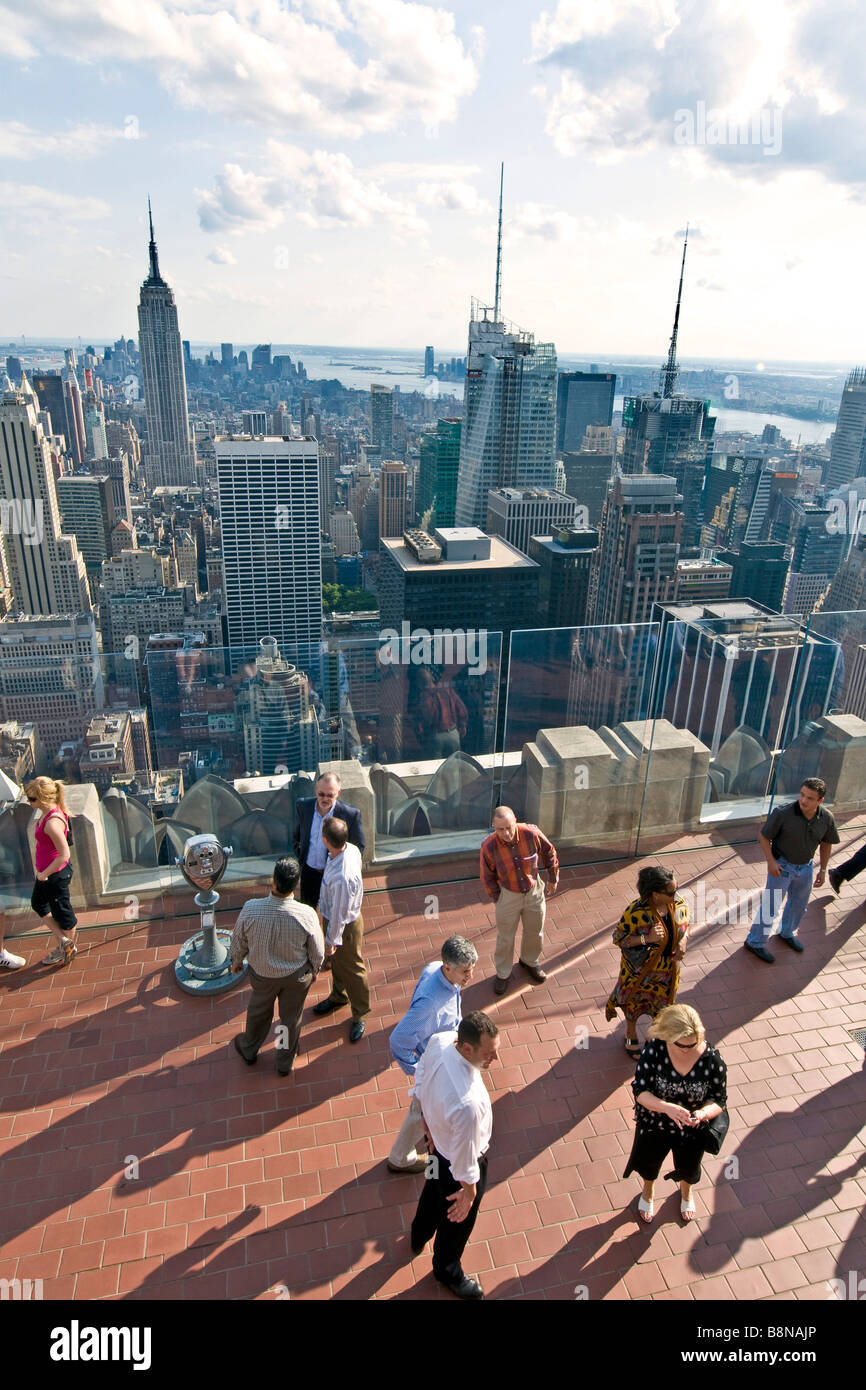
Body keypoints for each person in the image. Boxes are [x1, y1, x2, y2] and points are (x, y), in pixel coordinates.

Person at [409, 1011, 499, 1300]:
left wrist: (426, 1121)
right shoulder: (467, 1105)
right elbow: (464, 1161)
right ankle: (447, 1269)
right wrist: (469, 1194)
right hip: (458, 1161)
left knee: (431, 1193)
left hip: (436, 1146)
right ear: (467, 1048)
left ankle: (418, 1235)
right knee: (456, 1219)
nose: (495, 1059)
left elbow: (421, 1076)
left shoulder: (441, 1040)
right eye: (489, 1053)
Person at [624, 1003, 727, 1224]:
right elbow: (640, 1091)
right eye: (681, 1044)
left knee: (690, 1167)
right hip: (655, 1122)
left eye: (693, 1044)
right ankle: (648, 1191)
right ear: (667, 1035)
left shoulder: (712, 1059)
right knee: (648, 1162)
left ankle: (686, 1191)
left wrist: (702, 1114)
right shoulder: (654, 1052)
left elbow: (719, 1100)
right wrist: (667, 1107)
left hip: (692, 1128)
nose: (687, 1049)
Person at [387, 936, 478, 1174]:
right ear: (448, 967)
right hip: (434, 1065)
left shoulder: (435, 968)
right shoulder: (430, 1004)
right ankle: (400, 1158)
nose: (471, 976)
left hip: (443, 1055)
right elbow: (398, 1042)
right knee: (421, 1110)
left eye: (472, 968)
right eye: (466, 971)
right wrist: (421, 1073)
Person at [229, 856, 324, 1076]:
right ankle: (284, 1061)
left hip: (262, 975)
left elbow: (238, 940)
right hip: (296, 977)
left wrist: (236, 961)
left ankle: (249, 1049)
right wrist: (314, 969)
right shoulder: (306, 914)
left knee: (258, 1012)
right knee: (289, 1019)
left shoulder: (251, 909)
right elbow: (317, 950)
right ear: (296, 883)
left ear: (273, 881)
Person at [744, 777, 839, 963]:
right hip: (782, 867)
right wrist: (771, 862)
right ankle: (754, 942)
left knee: (799, 905)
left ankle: (786, 932)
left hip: (806, 868)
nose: (803, 800)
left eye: (810, 798)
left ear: (820, 801)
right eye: (802, 795)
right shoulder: (783, 813)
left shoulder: (827, 818)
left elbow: (826, 843)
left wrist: (823, 869)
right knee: (771, 906)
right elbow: (764, 837)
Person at [605, 864, 689, 1057]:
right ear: (655, 894)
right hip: (640, 973)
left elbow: (686, 925)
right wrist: (646, 939)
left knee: (663, 1008)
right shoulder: (636, 912)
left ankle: (654, 1037)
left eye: (677, 889)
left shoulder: (679, 904)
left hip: (667, 972)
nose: (676, 894)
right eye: (671, 892)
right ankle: (630, 1034)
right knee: (633, 1004)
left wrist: (683, 941)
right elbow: (619, 938)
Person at [480, 806, 559, 995]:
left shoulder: (531, 833)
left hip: (534, 890)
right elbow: (487, 875)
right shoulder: (488, 846)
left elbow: (549, 852)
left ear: (515, 820)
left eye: (509, 827)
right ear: (493, 827)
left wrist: (553, 877)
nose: (506, 833)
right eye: (500, 829)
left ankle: (529, 961)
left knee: (535, 931)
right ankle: (503, 973)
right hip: (508, 894)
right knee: (505, 937)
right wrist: (497, 898)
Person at [313, 816, 369, 1042]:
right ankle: (339, 996)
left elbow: (339, 915)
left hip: (344, 927)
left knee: (353, 968)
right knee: (339, 963)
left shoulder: (342, 878)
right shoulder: (350, 849)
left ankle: (361, 1013)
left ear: (326, 840)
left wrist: (330, 942)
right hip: (337, 920)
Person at [25, 777, 77, 969]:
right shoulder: (49, 812)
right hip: (48, 873)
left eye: (31, 799)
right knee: (38, 903)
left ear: (43, 799)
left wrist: (44, 874)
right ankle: (64, 941)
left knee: (63, 915)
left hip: (54, 875)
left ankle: (67, 947)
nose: (29, 802)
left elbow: (64, 854)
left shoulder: (52, 822)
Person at [293, 772, 365, 910]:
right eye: (321, 794)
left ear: (338, 793)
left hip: (334, 874)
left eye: (330, 795)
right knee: (307, 912)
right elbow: (296, 836)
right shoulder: (303, 806)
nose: (325, 799)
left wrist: (343, 868)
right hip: (309, 872)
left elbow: (358, 847)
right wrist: (301, 856)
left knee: (334, 912)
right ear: (316, 790)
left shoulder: (350, 814)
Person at [413, 668, 468, 760]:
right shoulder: (448, 691)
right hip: (453, 734)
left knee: (436, 767)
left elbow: (420, 722)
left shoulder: (422, 698)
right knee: (453, 766)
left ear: (419, 683)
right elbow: (461, 709)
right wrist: (462, 725)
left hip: (434, 737)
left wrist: (422, 739)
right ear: (432, 679)